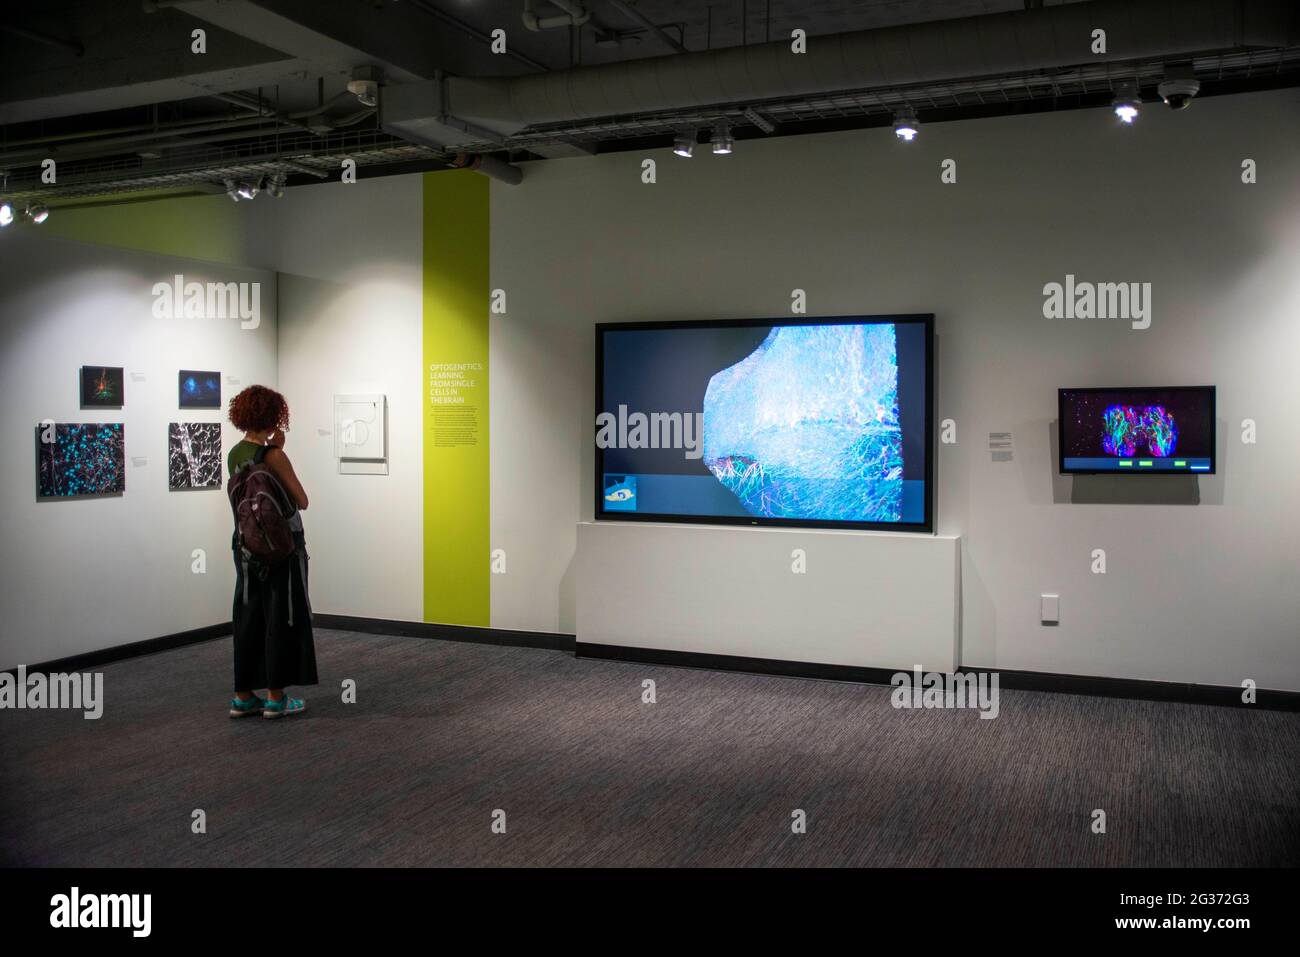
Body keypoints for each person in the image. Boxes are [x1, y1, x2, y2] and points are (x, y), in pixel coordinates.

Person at [225, 385, 318, 719]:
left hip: (245, 547)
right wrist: (276, 451)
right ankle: (276, 697)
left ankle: (243, 695)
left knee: (249, 616)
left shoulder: (235, 454)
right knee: (280, 617)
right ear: (274, 416)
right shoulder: (274, 456)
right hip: (281, 548)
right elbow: (302, 501)